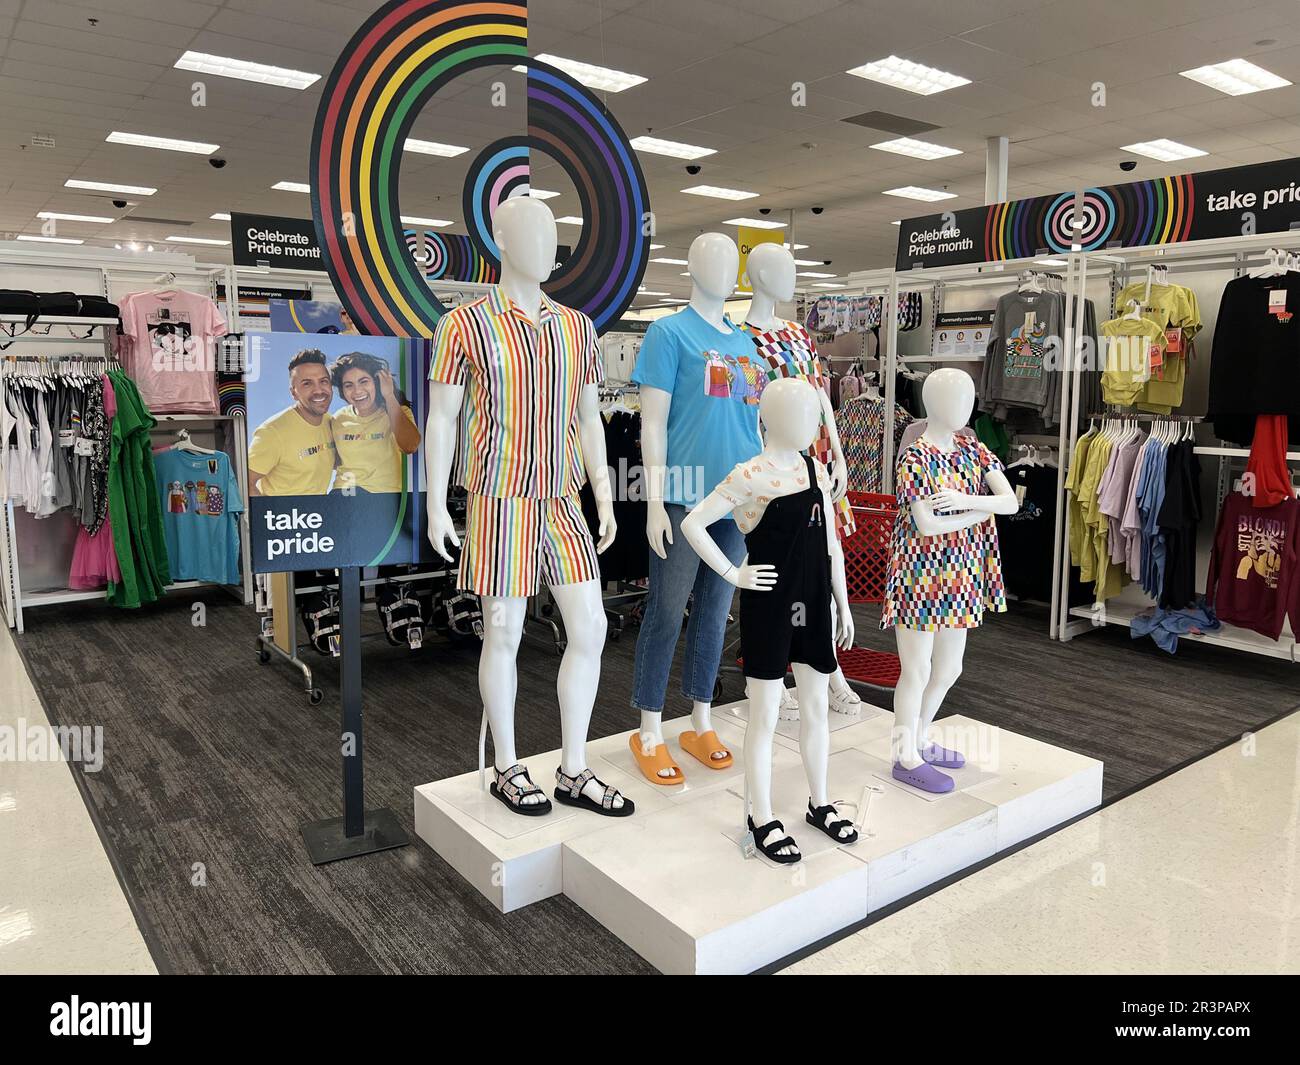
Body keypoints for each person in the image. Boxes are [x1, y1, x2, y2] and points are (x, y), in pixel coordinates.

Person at [247, 349, 337, 496]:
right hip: (285, 516)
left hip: (319, 515)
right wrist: (268, 515)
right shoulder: (271, 432)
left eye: (323, 381)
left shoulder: (331, 422)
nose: (319, 390)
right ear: (294, 392)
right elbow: (244, 482)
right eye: (307, 384)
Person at [329, 352, 421, 494]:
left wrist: (389, 396)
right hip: (343, 495)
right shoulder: (338, 418)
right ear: (343, 391)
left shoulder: (398, 412)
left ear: (376, 383)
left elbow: (410, 446)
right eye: (349, 385)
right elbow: (332, 460)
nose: (357, 391)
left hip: (382, 497)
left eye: (364, 381)